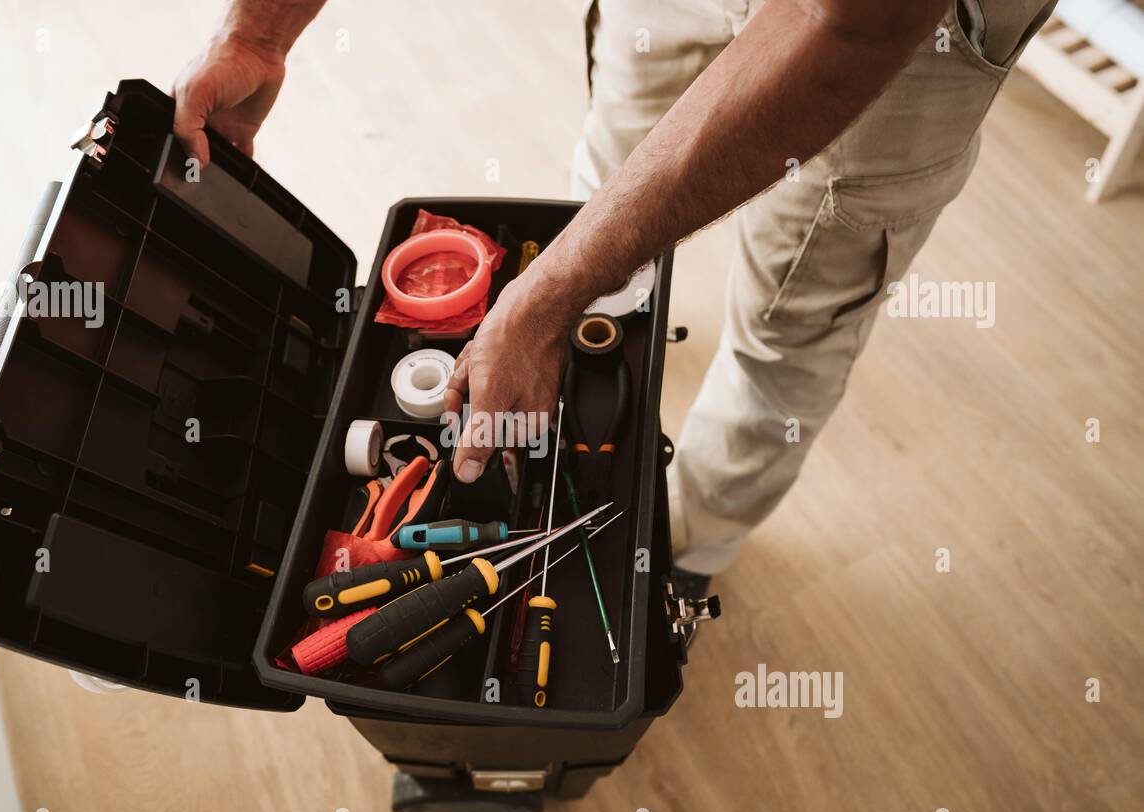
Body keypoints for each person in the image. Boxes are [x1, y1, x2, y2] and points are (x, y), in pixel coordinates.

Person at [174, 0, 1056, 586]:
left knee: (793, 324)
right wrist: (258, 33)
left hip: (898, 30)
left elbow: (846, 27)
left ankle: (685, 554)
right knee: (606, 189)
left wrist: (545, 302)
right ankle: (597, 328)